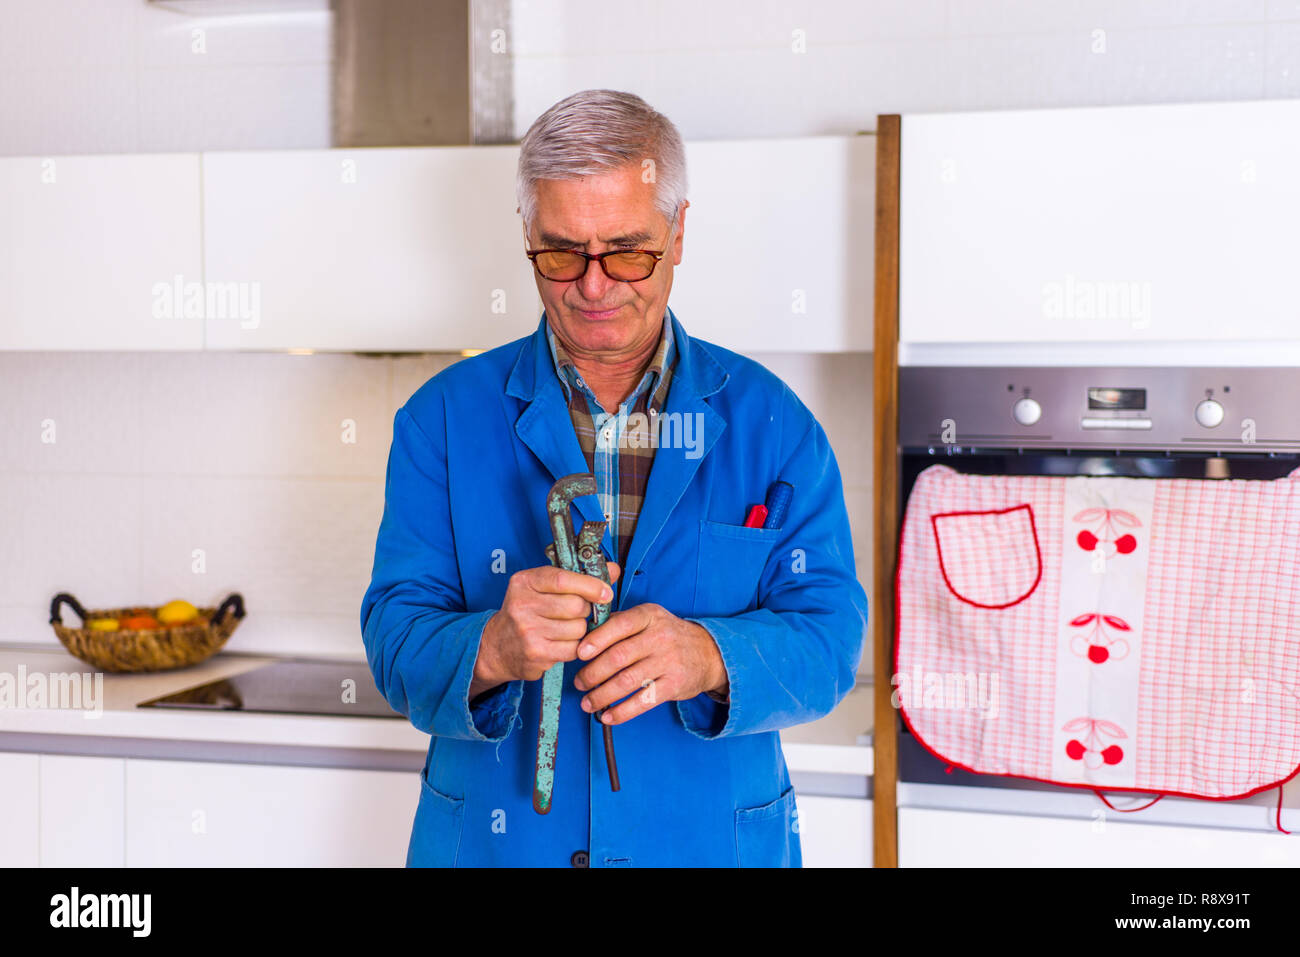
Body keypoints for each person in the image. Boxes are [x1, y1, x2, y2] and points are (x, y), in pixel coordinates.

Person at [360, 89, 867, 867]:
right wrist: (493, 643)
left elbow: (830, 642)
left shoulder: (776, 425)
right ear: (527, 235)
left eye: (628, 251)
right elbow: (396, 641)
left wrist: (707, 654)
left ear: (679, 231)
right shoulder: (439, 422)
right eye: (562, 252)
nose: (594, 287)